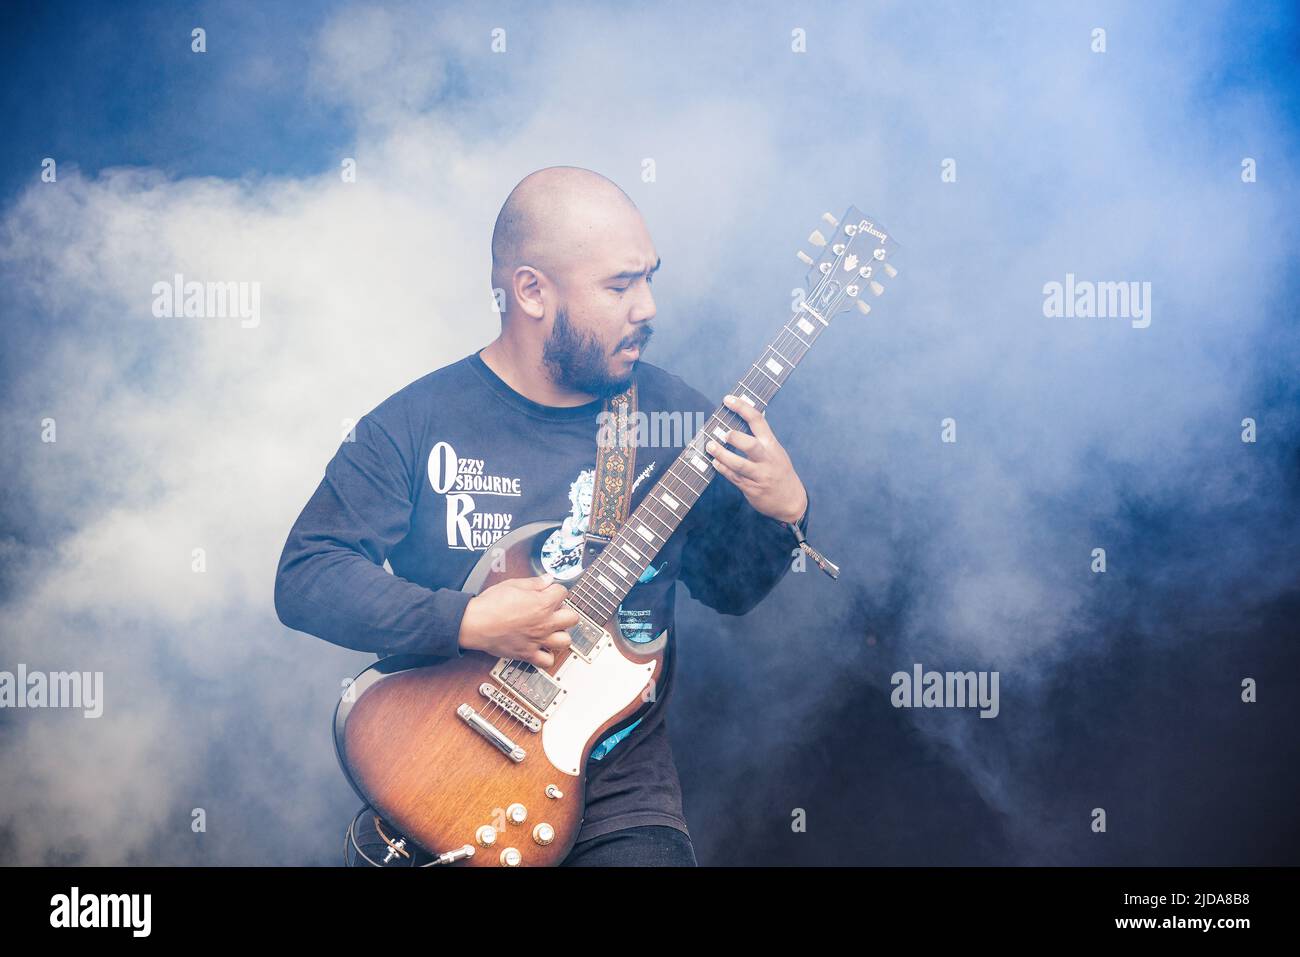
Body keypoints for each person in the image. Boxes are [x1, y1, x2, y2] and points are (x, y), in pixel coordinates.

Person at [274, 166, 811, 866]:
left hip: (621, 799)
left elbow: (731, 589)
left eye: (649, 278)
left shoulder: (677, 420)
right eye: (619, 286)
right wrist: (466, 620)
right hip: (440, 771)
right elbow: (308, 575)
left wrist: (784, 513)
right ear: (531, 290)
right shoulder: (416, 421)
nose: (647, 306)